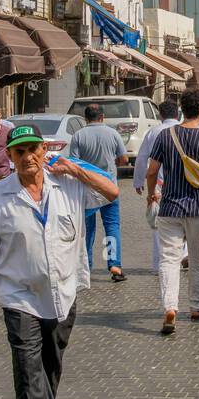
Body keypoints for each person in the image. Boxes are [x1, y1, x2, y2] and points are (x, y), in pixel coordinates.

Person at [0, 122, 119, 399]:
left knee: (50, 364)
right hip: (18, 296)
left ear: (44, 151)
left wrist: (76, 169)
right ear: (11, 157)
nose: (28, 157)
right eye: (20, 152)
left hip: (62, 293)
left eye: (34, 150)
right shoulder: (0, 197)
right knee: (28, 364)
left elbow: (112, 193)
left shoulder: (68, 184)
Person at [146, 88, 199, 335]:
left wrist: (151, 195)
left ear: (182, 109)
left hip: (169, 207)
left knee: (169, 259)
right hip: (198, 209)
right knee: (197, 259)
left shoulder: (165, 136)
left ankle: (170, 307)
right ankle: (196, 307)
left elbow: (151, 171)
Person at [69, 103, 129, 282]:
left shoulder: (78, 135)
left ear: (86, 118)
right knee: (112, 226)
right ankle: (114, 265)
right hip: (109, 188)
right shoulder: (113, 133)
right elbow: (124, 158)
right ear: (102, 117)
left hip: (86, 189)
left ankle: (86, 266)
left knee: (87, 229)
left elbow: (74, 163)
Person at [134, 98, 184, 270]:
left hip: (158, 184)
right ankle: (182, 255)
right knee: (182, 219)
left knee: (158, 223)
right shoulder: (186, 130)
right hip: (181, 184)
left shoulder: (153, 132)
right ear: (177, 114)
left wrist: (139, 181)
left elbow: (142, 158)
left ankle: (159, 263)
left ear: (160, 115)